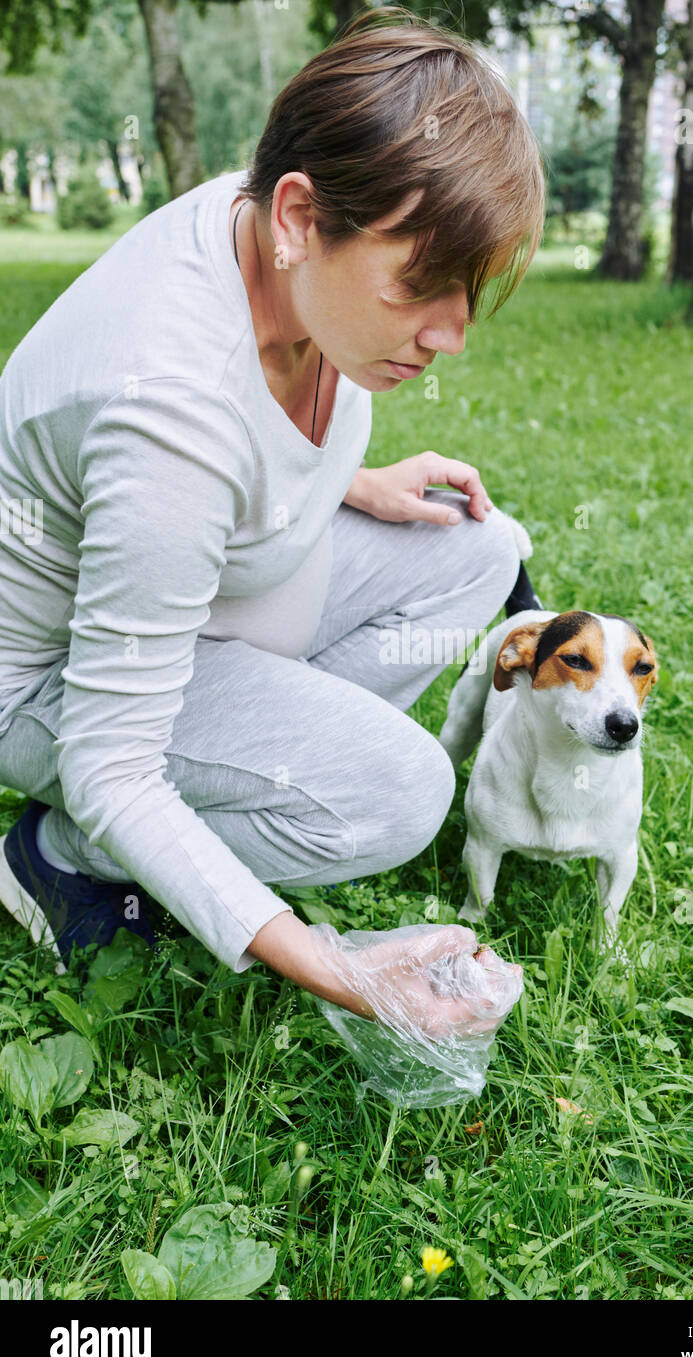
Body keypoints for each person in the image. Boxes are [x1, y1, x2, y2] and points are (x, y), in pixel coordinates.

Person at [0, 7, 544, 1036]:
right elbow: (111, 760)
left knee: (478, 546)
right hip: (58, 686)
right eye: (422, 284)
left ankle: (248, 769)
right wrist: (349, 974)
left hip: (199, 593)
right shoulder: (165, 405)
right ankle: (61, 858)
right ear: (300, 217)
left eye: (467, 291)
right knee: (397, 793)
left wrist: (351, 476)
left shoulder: (275, 231)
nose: (449, 335)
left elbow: (232, 441)